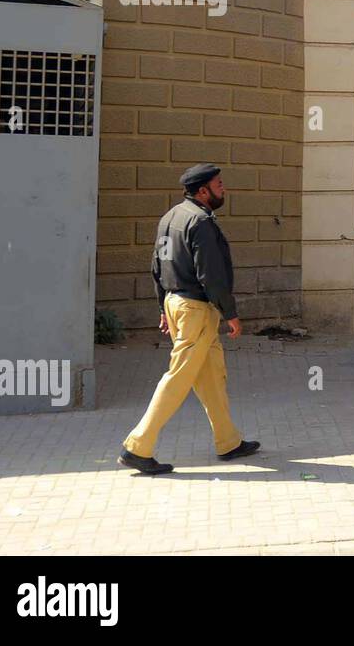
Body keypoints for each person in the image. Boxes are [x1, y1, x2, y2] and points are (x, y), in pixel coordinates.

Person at [120, 163, 259, 476]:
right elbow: (210, 274)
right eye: (219, 185)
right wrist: (230, 312)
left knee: (212, 376)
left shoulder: (171, 217)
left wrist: (163, 307)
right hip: (196, 309)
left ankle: (228, 441)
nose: (224, 189)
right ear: (203, 191)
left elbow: (157, 266)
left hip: (176, 303)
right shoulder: (201, 222)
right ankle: (137, 446)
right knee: (179, 376)